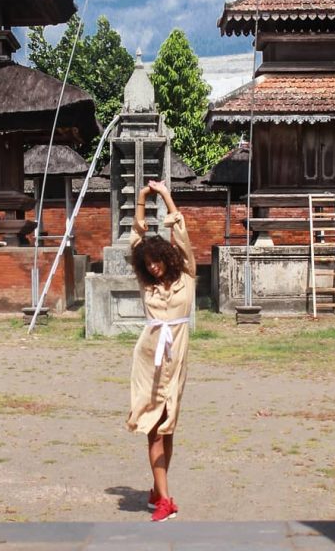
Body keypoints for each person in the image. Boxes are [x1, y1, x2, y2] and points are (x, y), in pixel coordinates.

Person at [126, 178, 196, 522]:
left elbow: (180, 231)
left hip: (177, 356)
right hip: (149, 359)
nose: (153, 266)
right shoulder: (146, 285)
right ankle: (165, 499)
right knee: (153, 427)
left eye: (157, 260)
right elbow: (135, 239)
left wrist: (166, 195)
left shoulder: (187, 275)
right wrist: (141, 198)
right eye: (148, 263)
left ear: (166, 257)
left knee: (168, 427)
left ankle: (157, 489)